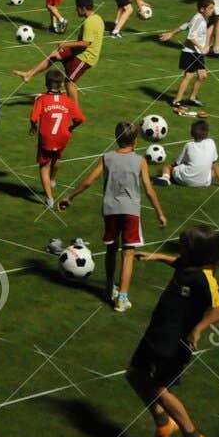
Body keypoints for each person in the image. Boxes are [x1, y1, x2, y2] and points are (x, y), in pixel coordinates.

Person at [126, 225, 219, 437]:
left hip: (175, 343)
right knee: (134, 374)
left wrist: (198, 328)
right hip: (156, 334)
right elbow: (177, 262)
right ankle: (163, 421)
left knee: (160, 389)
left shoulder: (206, 278)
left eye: (183, 245)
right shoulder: (188, 265)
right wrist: (156, 256)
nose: (180, 248)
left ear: (195, 251)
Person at [59, 122, 168, 312]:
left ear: (116, 138)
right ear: (135, 140)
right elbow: (149, 190)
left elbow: (88, 181)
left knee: (111, 250)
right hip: (131, 211)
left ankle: (109, 288)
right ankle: (122, 298)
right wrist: (159, 212)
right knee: (128, 254)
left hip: (110, 210)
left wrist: (70, 196)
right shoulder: (140, 160)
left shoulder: (107, 158)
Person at [12, 0, 105, 94]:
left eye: (77, 8)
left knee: (69, 82)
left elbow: (86, 43)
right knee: (55, 55)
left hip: (86, 56)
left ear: (83, 8)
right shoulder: (97, 18)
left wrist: (65, 44)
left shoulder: (90, 22)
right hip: (78, 51)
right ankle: (29, 74)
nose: (75, 10)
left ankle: (74, 109)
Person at [29, 71, 84, 209]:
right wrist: (72, 127)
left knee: (44, 166)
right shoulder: (67, 100)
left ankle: (49, 198)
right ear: (61, 85)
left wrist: (33, 127)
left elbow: (33, 118)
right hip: (63, 136)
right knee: (57, 158)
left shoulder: (41, 99)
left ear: (46, 83)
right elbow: (80, 119)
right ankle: (53, 179)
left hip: (47, 138)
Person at [156, 0, 215, 112]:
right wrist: (202, 48)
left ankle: (192, 98)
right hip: (190, 52)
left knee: (203, 76)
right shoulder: (199, 20)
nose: (212, 11)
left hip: (196, 52)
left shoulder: (199, 18)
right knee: (188, 76)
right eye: (211, 8)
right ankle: (176, 101)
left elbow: (186, 25)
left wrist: (172, 33)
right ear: (202, 9)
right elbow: (191, 36)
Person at [155, 119, 219, 189]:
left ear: (192, 133)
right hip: (204, 182)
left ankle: (165, 178)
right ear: (207, 132)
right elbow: (215, 164)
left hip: (184, 180)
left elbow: (177, 163)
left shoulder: (189, 145)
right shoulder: (211, 142)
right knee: (213, 172)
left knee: (167, 167)